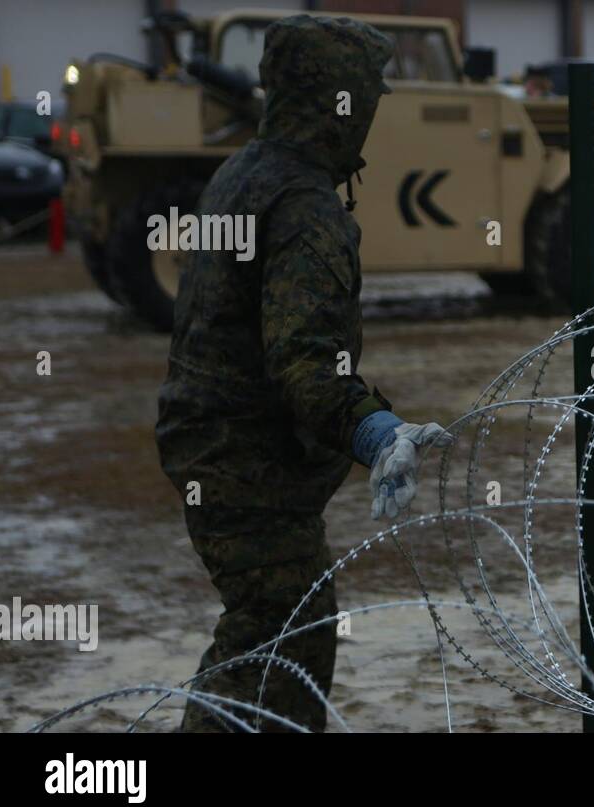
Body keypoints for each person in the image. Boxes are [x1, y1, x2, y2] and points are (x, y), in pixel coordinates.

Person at [156, 14, 453, 732]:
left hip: (216, 449)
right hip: (245, 461)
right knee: (280, 639)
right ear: (337, 101)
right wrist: (376, 431)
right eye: (367, 96)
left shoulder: (244, 173)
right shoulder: (302, 205)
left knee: (276, 630)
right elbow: (305, 361)